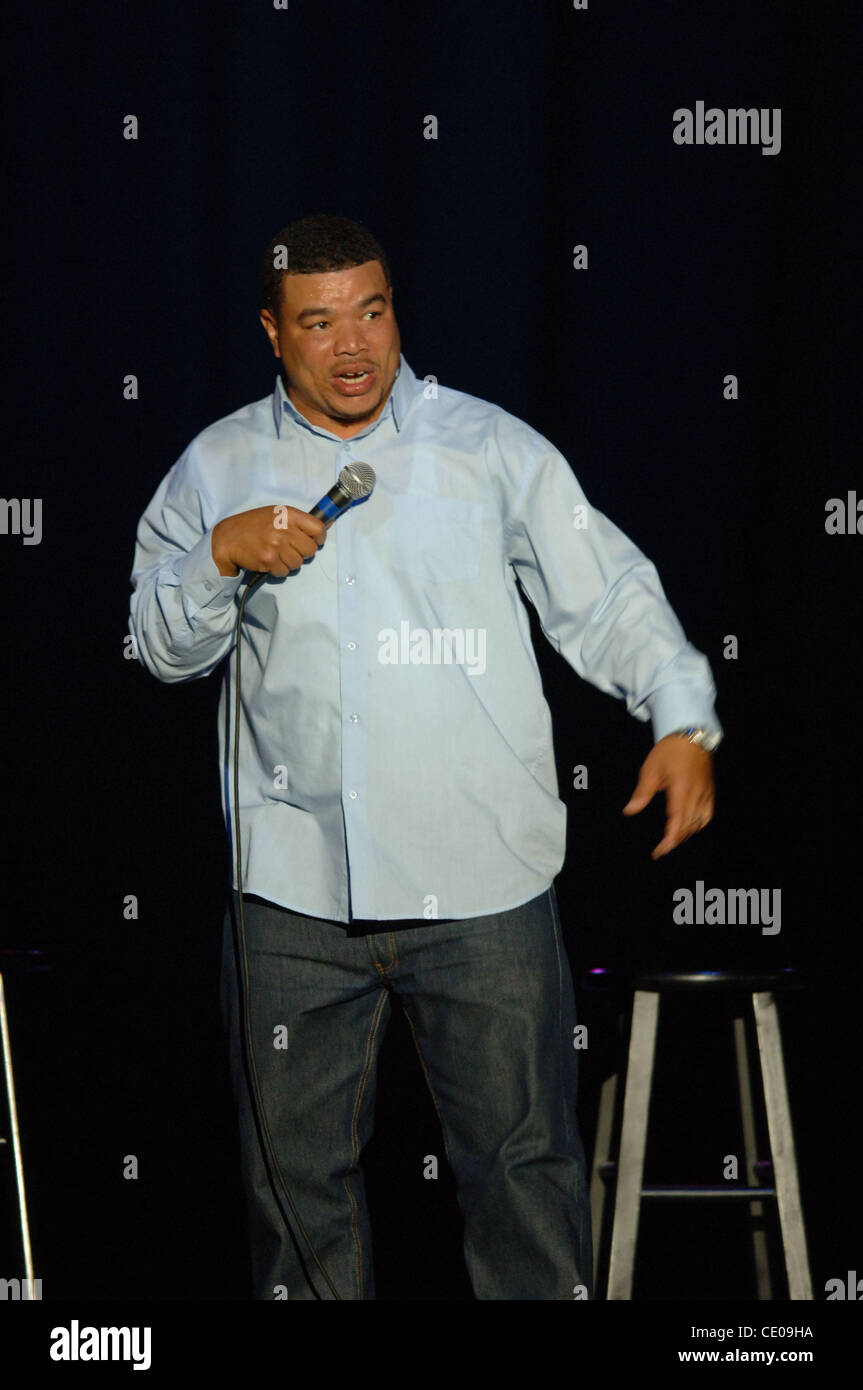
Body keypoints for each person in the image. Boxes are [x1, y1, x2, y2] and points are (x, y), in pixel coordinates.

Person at [128, 212, 722, 1301]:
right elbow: (161, 650)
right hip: (291, 901)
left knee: (523, 1183)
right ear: (273, 332)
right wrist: (218, 554)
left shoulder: (483, 446)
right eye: (319, 322)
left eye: (373, 310)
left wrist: (680, 718)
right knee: (293, 1201)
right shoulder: (215, 466)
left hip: (481, 892)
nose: (354, 345)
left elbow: (610, 593)